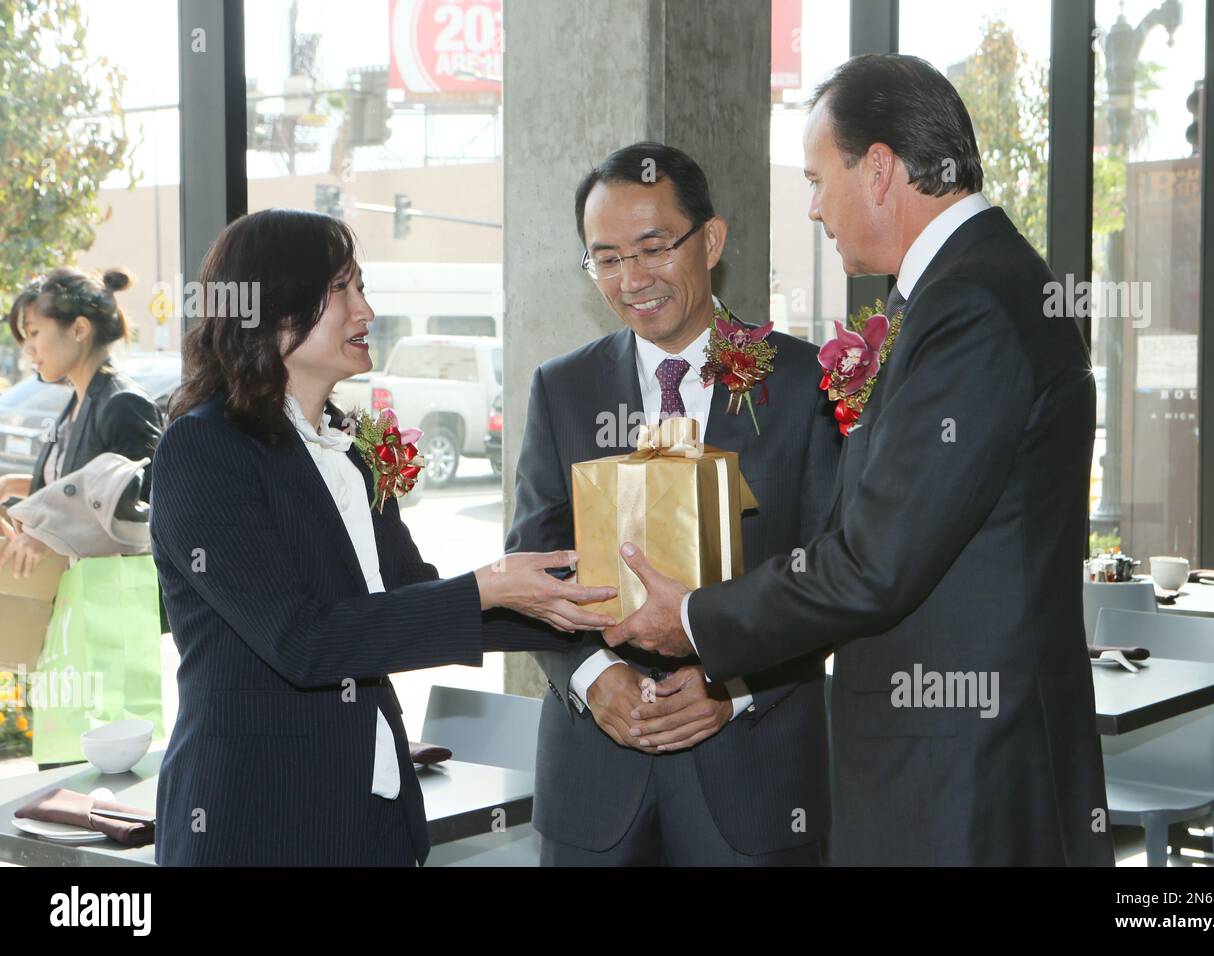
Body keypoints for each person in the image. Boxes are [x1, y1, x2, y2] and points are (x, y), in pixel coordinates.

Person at [604, 55, 1114, 866]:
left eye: (816, 178)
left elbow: (876, 561)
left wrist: (697, 616)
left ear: (878, 169)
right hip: (955, 759)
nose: (811, 207)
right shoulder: (971, 285)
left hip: (962, 780)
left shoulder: (970, 306)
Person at [149, 208, 614, 866]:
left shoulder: (349, 448)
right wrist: (488, 587)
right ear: (275, 306)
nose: (366, 309)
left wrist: (594, 606)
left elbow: (412, 599)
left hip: (372, 807)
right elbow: (303, 641)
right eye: (343, 288)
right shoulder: (204, 450)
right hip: (258, 816)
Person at [505, 143, 839, 865]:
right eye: (607, 259)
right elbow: (532, 568)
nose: (633, 280)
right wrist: (595, 679)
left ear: (711, 240)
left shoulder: (808, 381)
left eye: (653, 249)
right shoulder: (562, 389)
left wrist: (736, 681)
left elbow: (834, 572)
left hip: (756, 777)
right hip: (595, 782)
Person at [0, 267, 164, 770]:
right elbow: (85, 483)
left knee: (100, 753)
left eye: (34, 332)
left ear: (79, 328)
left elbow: (137, 503)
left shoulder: (123, 402)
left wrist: (46, 532)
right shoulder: (75, 403)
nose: (29, 348)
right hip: (78, 598)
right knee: (71, 747)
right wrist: (19, 493)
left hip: (106, 601)